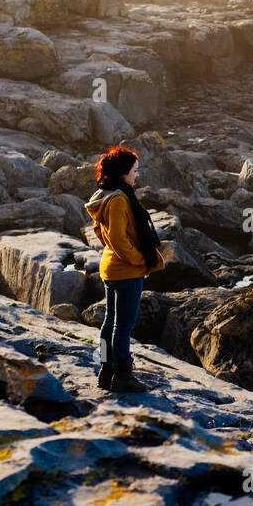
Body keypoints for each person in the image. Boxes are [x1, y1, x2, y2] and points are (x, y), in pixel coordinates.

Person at [85, 146, 164, 392]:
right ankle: (122, 374)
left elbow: (100, 230)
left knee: (110, 322)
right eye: (134, 171)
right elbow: (119, 239)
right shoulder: (119, 198)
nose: (137, 176)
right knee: (123, 325)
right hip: (126, 270)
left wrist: (115, 249)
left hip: (110, 266)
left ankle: (105, 368)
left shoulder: (105, 195)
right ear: (122, 173)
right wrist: (140, 261)